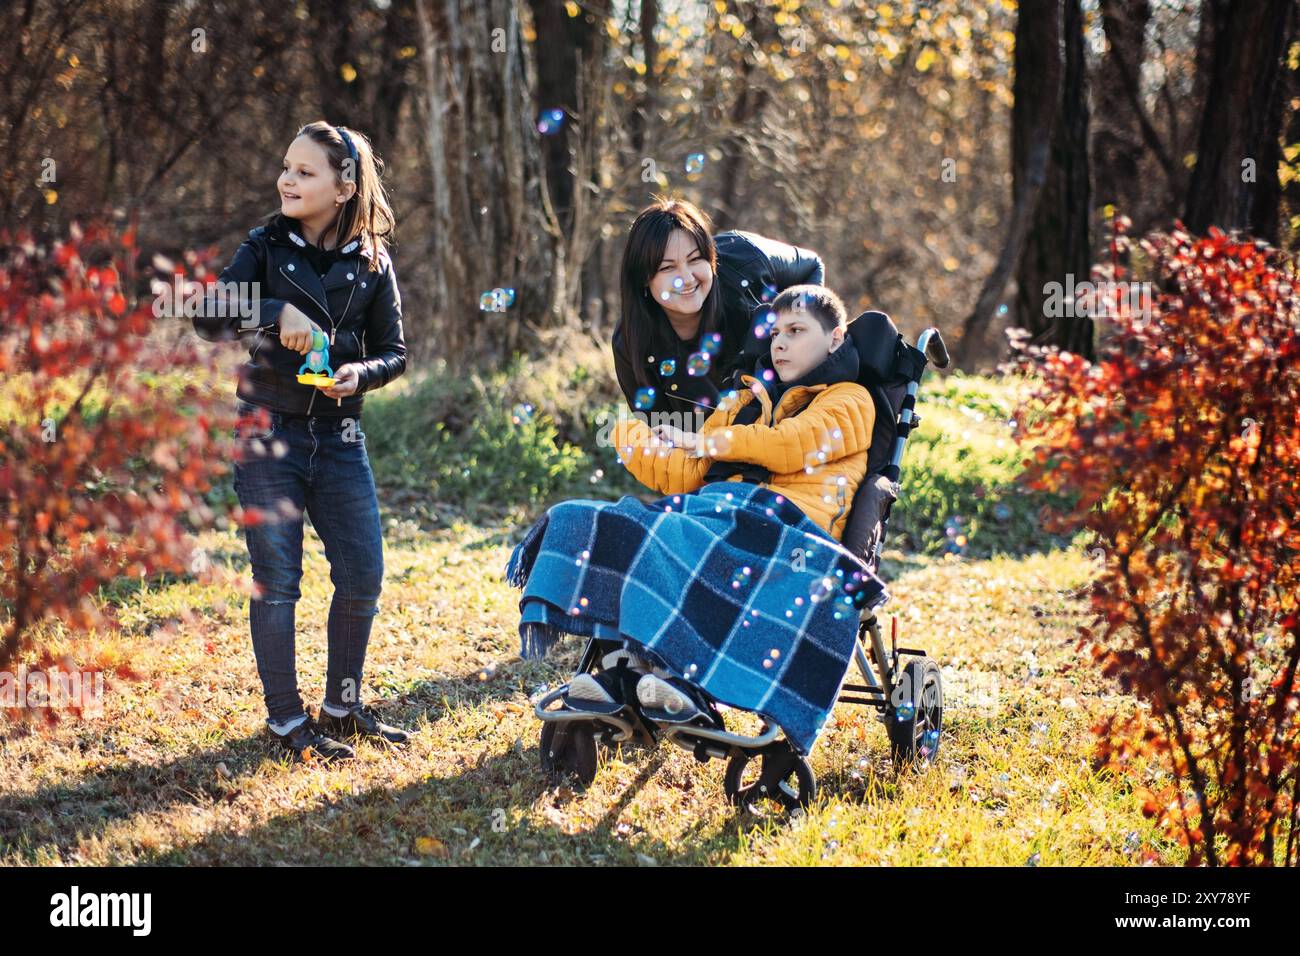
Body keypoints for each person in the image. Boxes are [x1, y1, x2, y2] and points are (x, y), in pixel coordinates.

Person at [192, 120, 410, 763]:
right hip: (268, 433)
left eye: (305, 171)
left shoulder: (373, 259)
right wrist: (271, 311)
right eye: (286, 167)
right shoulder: (262, 245)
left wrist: (358, 374)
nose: (287, 179)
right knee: (278, 578)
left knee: (363, 574)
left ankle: (342, 708)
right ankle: (287, 722)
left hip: (340, 438)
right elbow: (207, 316)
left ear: (344, 188)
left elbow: (395, 352)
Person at [572, 284, 876, 720]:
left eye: (796, 330)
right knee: (636, 528)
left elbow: (791, 444)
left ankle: (679, 680)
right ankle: (627, 670)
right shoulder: (743, 402)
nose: (781, 342)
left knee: (688, 540)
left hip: (794, 539)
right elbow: (689, 474)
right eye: (774, 334)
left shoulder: (850, 400)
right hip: (729, 518)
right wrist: (633, 439)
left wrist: (710, 440)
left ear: (835, 337)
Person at [612, 197, 825, 428]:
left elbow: (812, 265)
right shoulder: (631, 342)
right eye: (667, 267)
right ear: (643, 277)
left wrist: (802, 339)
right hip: (711, 449)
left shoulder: (745, 259)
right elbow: (662, 435)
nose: (686, 278)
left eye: (695, 260)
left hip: (791, 425)